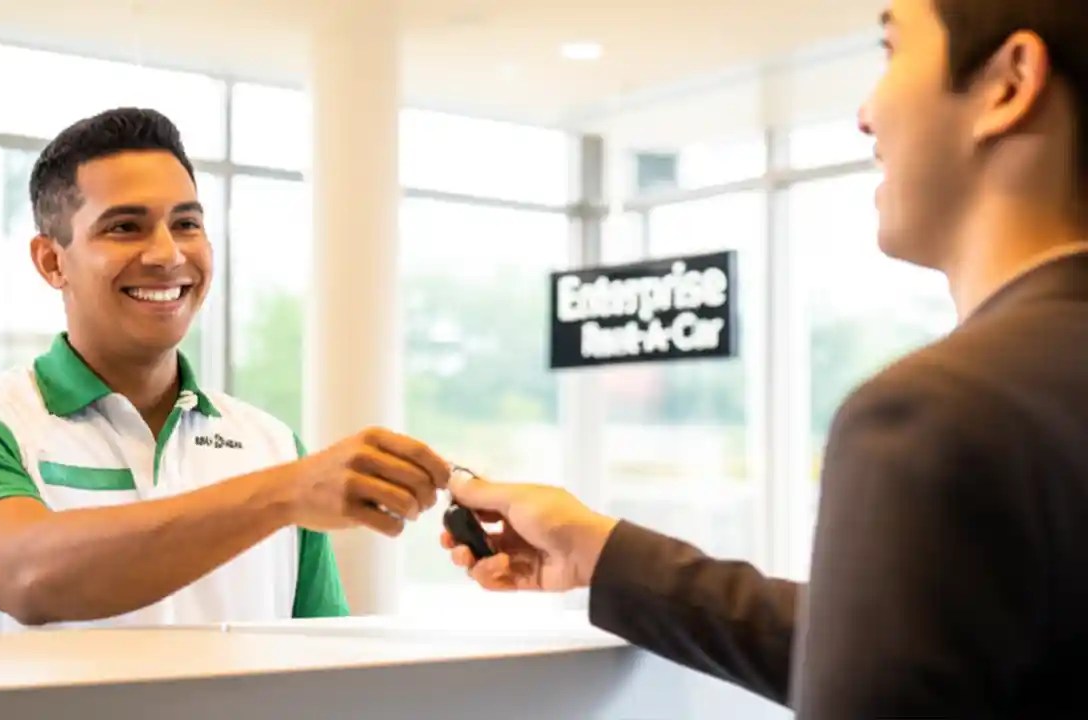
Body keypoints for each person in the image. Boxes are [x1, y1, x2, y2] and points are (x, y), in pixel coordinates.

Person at [443, 0, 1088, 716]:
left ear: (1010, 82)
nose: (866, 115)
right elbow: (916, 648)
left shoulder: (934, 413)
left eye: (891, 49)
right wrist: (601, 555)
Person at [0, 107, 450, 633]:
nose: (168, 254)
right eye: (125, 227)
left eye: (186, 223)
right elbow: (29, 576)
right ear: (52, 261)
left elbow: (323, 676)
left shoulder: (272, 445)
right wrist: (282, 495)